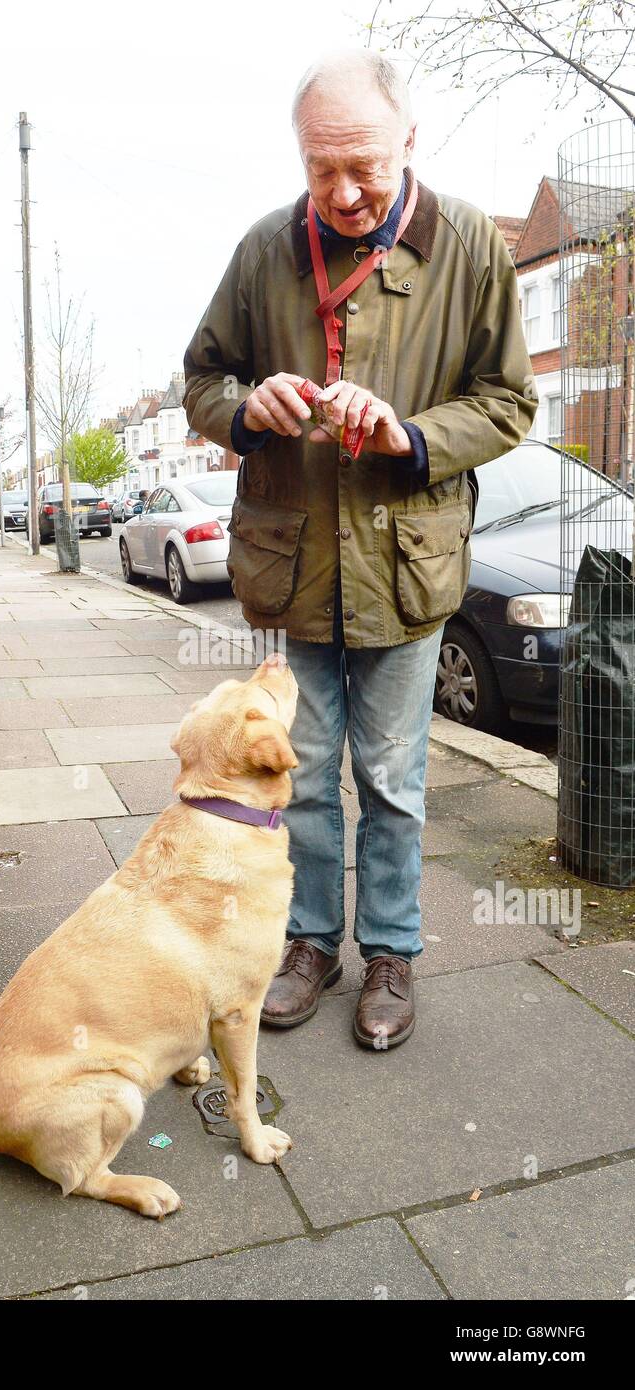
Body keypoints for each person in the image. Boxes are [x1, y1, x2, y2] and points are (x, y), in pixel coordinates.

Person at [184, 50, 536, 1049]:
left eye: (364, 167)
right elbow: (201, 378)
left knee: (391, 777)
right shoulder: (264, 250)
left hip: (403, 564)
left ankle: (390, 953)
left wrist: (412, 436)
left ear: (410, 142)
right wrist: (245, 409)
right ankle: (308, 943)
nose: (342, 192)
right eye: (319, 168)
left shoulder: (470, 245)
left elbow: (509, 400)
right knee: (299, 773)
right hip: (295, 565)